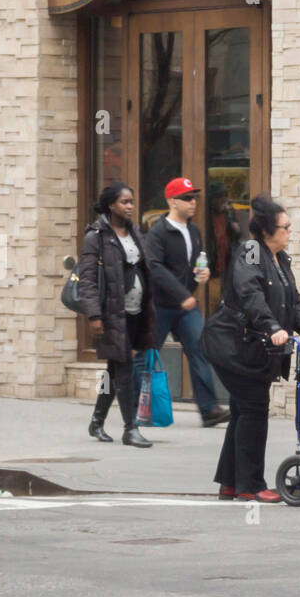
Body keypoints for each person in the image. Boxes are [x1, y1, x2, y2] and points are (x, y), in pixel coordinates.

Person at [208, 195, 300, 503]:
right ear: (268, 230)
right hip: (233, 344)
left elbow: (292, 300)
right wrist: (272, 327)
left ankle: (231, 483)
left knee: (244, 409)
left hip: (254, 347)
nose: (290, 232)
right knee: (254, 408)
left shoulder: (280, 259)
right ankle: (250, 484)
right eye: (285, 227)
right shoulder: (253, 251)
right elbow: (250, 293)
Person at [139, 176, 229, 427]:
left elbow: (193, 263)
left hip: (186, 307)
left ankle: (209, 409)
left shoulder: (194, 231)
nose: (193, 203)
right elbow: (155, 269)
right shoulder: (158, 232)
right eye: (187, 198)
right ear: (171, 201)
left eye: (195, 198)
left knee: (200, 351)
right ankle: (133, 403)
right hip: (159, 306)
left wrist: (203, 273)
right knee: (145, 355)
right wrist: (183, 295)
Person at [80, 183, 155, 447]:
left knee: (114, 370)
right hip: (112, 313)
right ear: (111, 205)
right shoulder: (96, 236)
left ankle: (97, 421)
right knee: (125, 370)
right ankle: (130, 428)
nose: (130, 206)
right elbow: (87, 279)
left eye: (132, 201)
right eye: (125, 202)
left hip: (136, 312)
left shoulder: (135, 232)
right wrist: (94, 315)